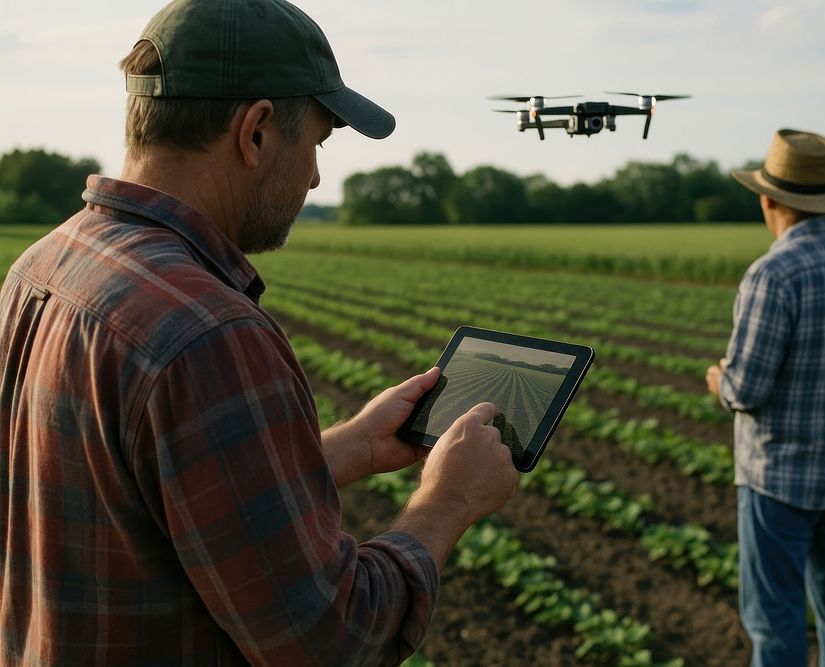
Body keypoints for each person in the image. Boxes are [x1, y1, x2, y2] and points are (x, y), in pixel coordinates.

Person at [0, 1, 519, 664]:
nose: (316, 177)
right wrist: (447, 502)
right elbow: (331, 639)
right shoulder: (207, 333)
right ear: (257, 132)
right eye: (318, 144)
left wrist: (355, 447)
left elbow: (148, 494)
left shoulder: (43, 266)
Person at [705, 129, 825, 667]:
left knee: (775, 620)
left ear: (769, 200)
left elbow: (746, 389)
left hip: (777, 479)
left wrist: (719, 379)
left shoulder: (772, 274)